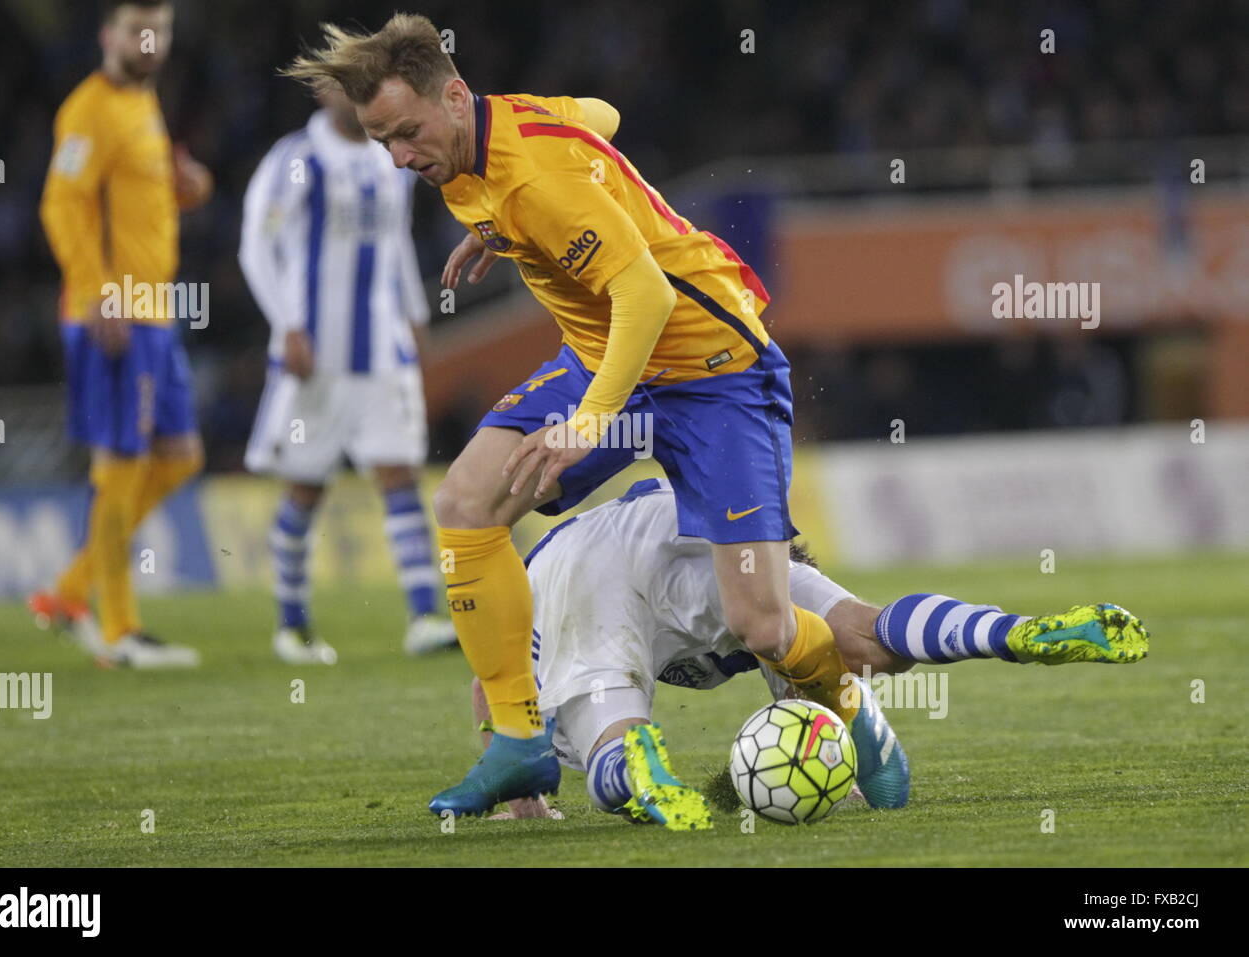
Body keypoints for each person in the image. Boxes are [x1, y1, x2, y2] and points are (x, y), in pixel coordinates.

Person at [284, 14, 837, 817]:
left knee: (761, 622)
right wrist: (507, 236)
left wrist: (586, 423)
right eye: (382, 143)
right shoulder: (481, 142)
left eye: (406, 133)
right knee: (465, 502)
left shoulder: (534, 180)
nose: (400, 157)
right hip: (601, 348)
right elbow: (599, 115)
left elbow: (643, 292)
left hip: (703, 360)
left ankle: (855, 715)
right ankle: (518, 743)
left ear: (454, 95)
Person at [471, 478, 1149, 828]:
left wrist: (522, 782)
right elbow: (891, 781)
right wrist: (862, 747)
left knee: (602, 743)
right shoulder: (780, 613)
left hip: (637, 544)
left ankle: (634, 762)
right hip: (719, 538)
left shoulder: (537, 614)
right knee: (865, 634)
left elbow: (488, 681)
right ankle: (1005, 632)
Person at [239, 84, 456, 662]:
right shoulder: (294, 158)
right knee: (306, 485)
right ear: (321, 88)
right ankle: (292, 625)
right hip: (316, 353)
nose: (358, 94)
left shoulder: (392, 158)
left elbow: (395, 243)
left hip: (382, 348)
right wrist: (286, 324)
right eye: (347, 83)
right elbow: (254, 249)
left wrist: (414, 311)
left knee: (400, 474)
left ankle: (424, 617)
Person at [32, 0, 211, 668]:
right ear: (109, 35)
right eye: (139, 28)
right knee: (122, 464)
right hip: (114, 311)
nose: (151, 39)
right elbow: (61, 203)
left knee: (182, 455)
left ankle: (72, 589)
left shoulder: (144, 102)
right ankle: (120, 630)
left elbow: (143, 197)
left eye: (160, 29)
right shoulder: (89, 109)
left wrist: (190, 188)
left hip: (156, 311)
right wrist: (97, 288)